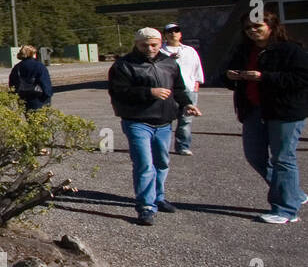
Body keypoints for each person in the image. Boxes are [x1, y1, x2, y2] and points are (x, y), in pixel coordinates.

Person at [222, 12, 308, 224]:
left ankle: (286, 210)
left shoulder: (290, 49)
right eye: (248, 28)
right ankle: (293, 192)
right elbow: (225, 75)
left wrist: (264, 77)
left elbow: (302, 78)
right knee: (255, 155)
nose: (252, 31)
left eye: (257, 26)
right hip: (253, 109)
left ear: (271, 26)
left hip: (284, 111)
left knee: (283, 158)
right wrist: (230, 76)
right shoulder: (244, 50)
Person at [109, 28, 201, 225]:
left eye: (154, 44)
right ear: (136, 44)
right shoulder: (124, 65)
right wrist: (149, 92)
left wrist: (187, 104)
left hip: (164, 121)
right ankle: (146, 206)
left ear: (161, 43)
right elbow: (119, 92)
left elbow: (178, 88)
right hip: (137, 121)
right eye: (144, 45)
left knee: (161, 162)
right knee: (144, 164)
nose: (149, 48)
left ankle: (158, 197)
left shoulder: (169, 63)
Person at [160, 22, 205, 155]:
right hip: (168, 89)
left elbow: (197, 68)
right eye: (170, 31)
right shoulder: (161, 51)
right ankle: (162, 147)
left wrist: (196, 84)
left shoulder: (189, 50)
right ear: (165, 35)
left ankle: (183, 146)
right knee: (165, 119)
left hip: (189, 88)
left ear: (180, 34)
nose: (173, 33)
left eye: (176, 30)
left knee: (186, 119)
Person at [8, 45, 53, 111]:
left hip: (24, 98)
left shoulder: (17, 67)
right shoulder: (39, 65)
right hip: (39, 98)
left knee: (30, 119)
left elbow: (12, 83)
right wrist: (48, 95)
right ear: (32, 54)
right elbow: (45, 82)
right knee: (41, 119)